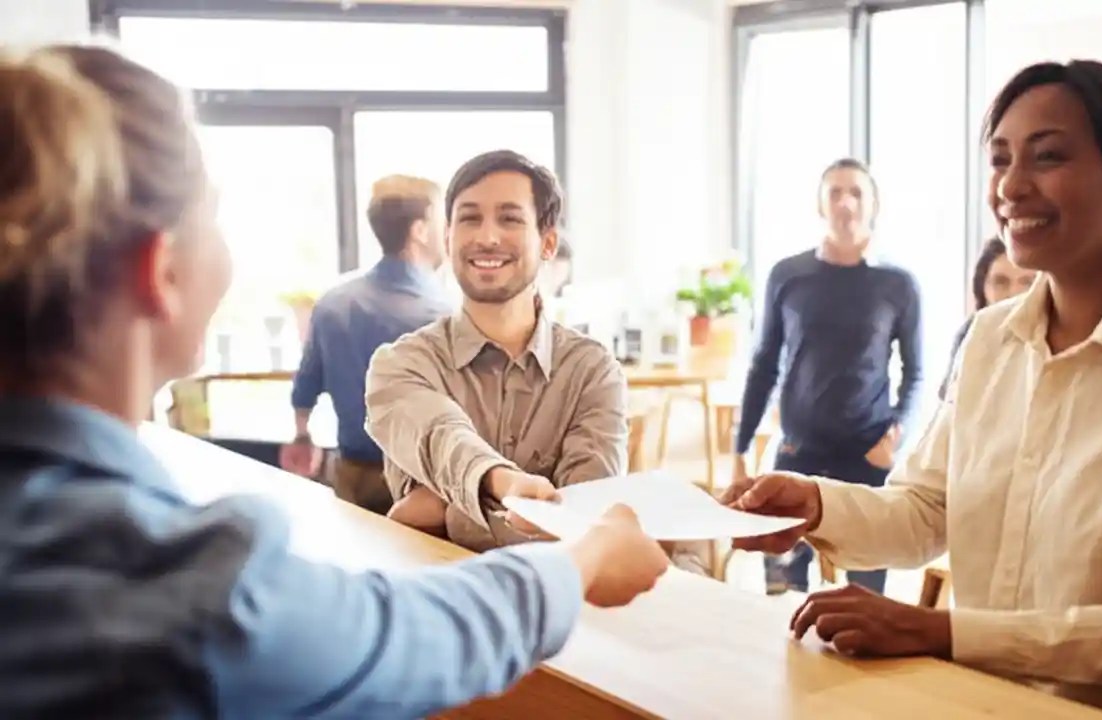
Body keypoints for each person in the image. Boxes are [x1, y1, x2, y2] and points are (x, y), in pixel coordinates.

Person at [0, 44, 669, 718]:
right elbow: (417, 633)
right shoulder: (184, 588)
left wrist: (461, 510)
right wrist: (581, 556)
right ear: (160, 272)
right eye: (213, 216)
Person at [723, 60, 1102, 720]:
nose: (1011, 186)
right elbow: (928, 511)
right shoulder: (990, 339)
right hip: (974, 704)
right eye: (998, 159)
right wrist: (813, 504)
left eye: (1048, 157)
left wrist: (939, 631)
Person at [365, 150, 628, 551]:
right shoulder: (401, 366)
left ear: (548, 242)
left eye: (510, 218)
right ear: (449, 238)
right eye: (470, 218)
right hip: (435, 601)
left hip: (554, 607)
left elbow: (585, 525)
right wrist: (505, 486)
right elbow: (443, 437)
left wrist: (443, 510)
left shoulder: (592, 371)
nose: (487, 237)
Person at [731, 157, 923, 595]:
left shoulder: (898, 284)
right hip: (799, 452)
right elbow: (764, 363)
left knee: (865, 596)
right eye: (835, 192)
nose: (845, 202)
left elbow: (916, 373)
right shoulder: (788, 275)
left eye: (856, 192)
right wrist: (740, 446)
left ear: (873, 204)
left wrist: (895, 437)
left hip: (866, 455)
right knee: (780, 591)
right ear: (820, 205)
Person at [281, 174, 454, 514]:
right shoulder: (443, 315)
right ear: (419, 230)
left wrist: (302, 436)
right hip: (419, 488)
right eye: (441, 222)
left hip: (351, 475)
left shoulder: (333, 303)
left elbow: (305, 386)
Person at [939, 237, 1037, 398]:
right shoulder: (970, 332)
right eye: (1000, 282)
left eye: (1027, 283)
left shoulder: (1056, 338)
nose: (1013, 293)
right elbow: (949, 403)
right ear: (982, 288)